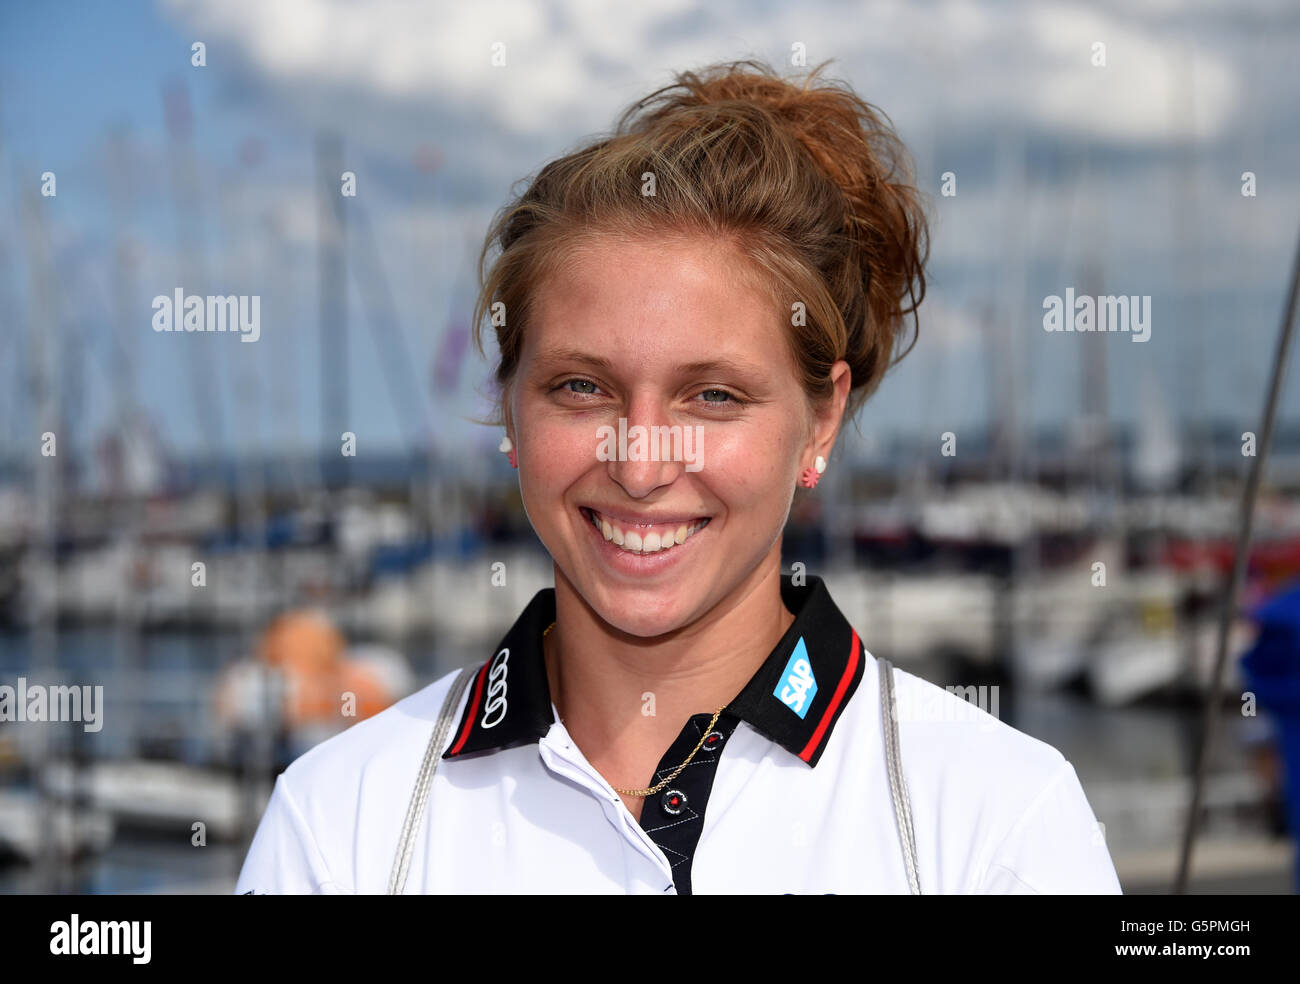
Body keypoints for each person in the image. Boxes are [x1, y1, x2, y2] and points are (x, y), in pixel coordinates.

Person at [235, 58, 1121, 894]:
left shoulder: (994, 819)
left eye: (714, 395)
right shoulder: (344, 820)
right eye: (582, 387)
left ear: (820, 419)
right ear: (511, 407)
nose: (643, 461)